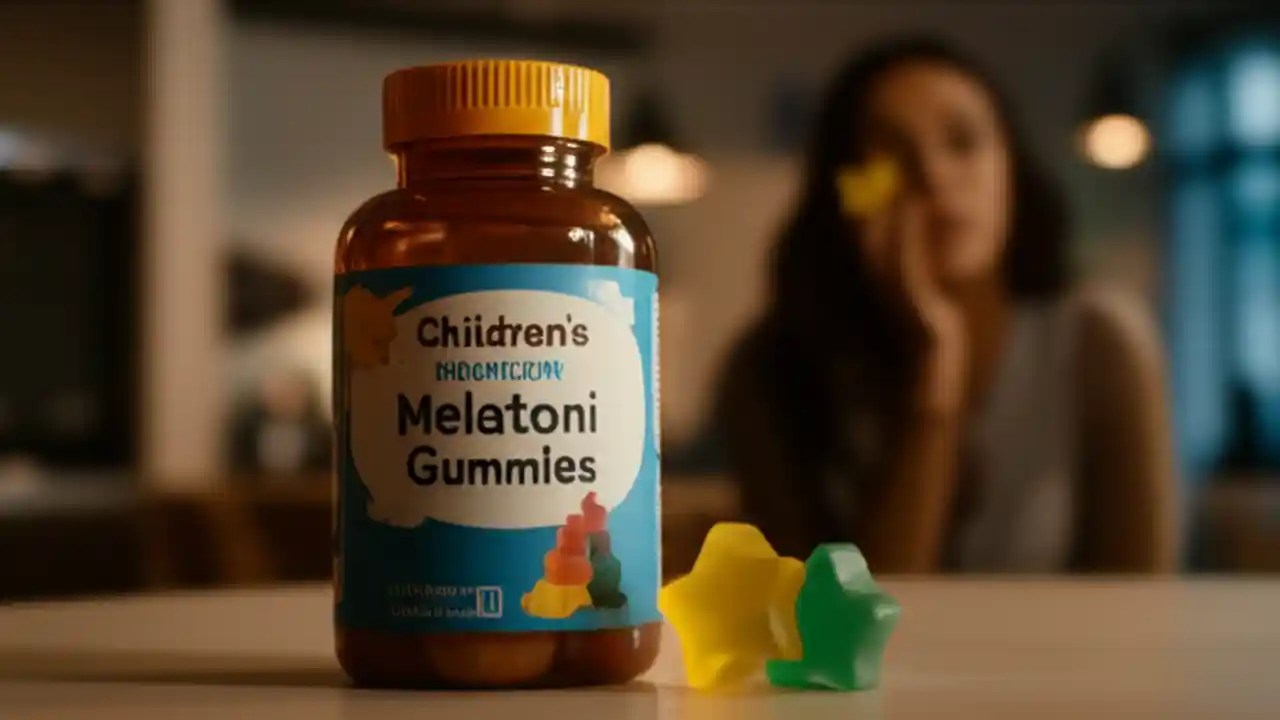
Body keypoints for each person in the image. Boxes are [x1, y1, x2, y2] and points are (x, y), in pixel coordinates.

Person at [717, 38, 1178, 573]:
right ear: (844, 192)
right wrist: (935, 377)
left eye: (963, 142)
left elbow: (1139, 596)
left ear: (1011, 169)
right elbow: (838, 610)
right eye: (890, 153)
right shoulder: (769, 370)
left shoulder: (1101, 343)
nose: (933, 177)